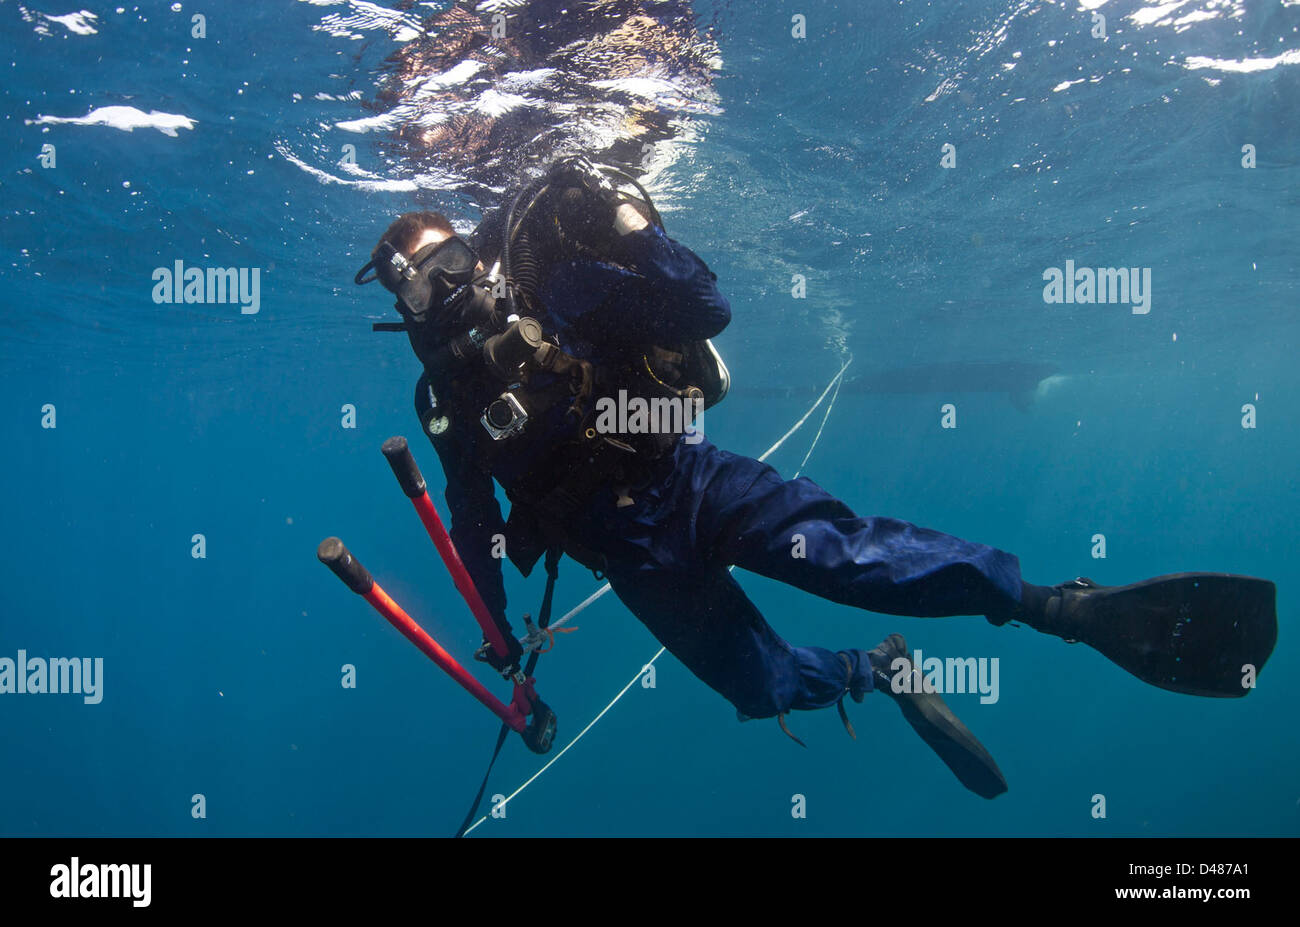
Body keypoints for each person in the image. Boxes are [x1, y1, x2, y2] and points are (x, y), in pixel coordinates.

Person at [354, 157, 1277, 798]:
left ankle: (1055, 607)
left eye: (452, 263)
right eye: (420, 286)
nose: (446, 289)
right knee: (760, 687)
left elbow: (705, 303)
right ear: (402, 307)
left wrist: (631, 229)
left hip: (690, 480)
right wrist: (497, 626)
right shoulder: (442, 399)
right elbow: (469, 516)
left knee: (854, 558)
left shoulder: (556, 290)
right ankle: (873, 672)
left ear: (477, 253)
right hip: (626, 555)